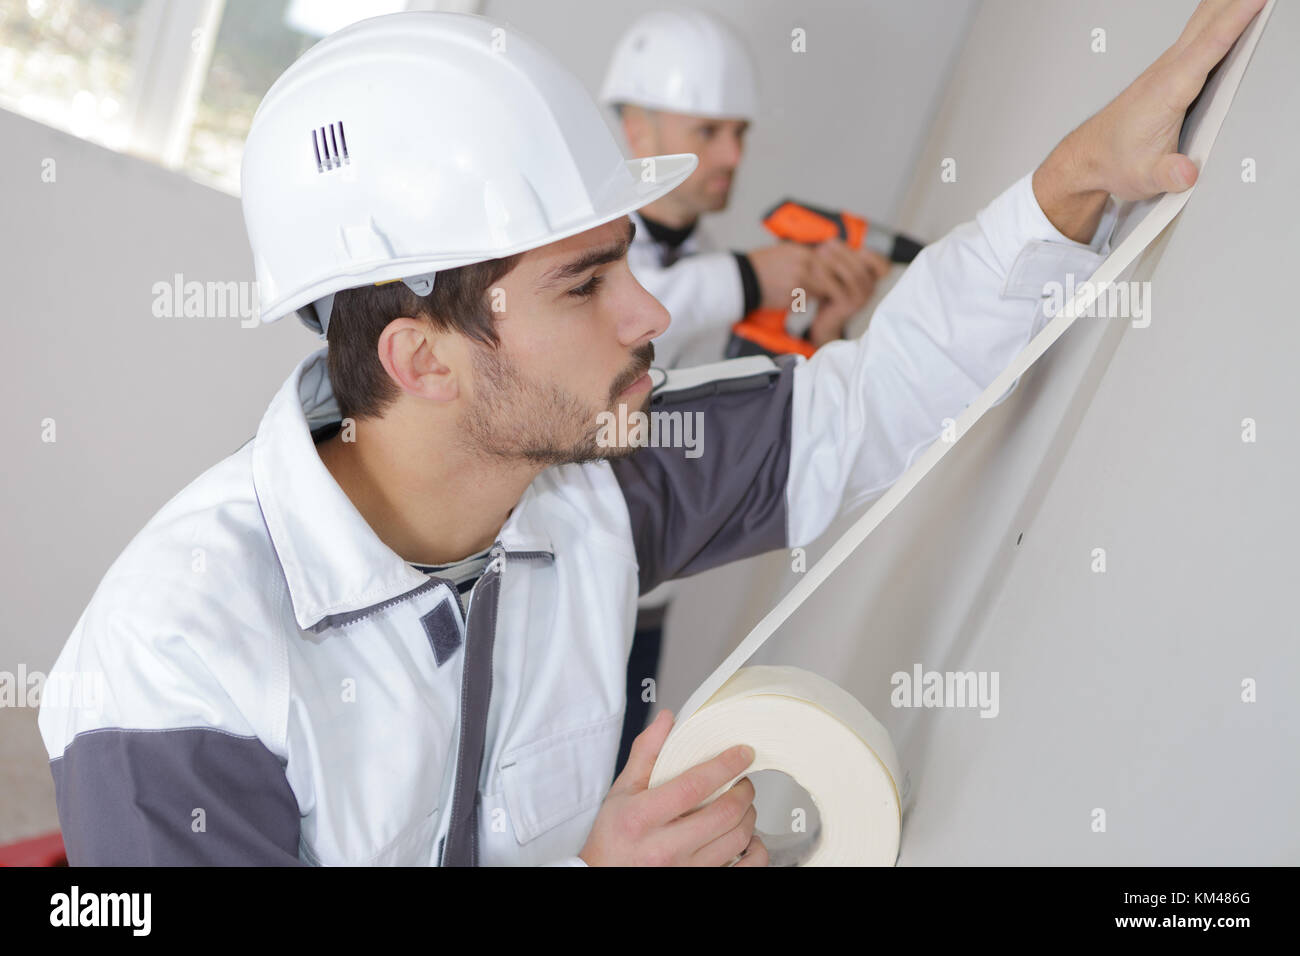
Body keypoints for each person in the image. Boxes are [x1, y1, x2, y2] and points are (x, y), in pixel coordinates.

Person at [38, 0, 1261, 866]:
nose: (653, 311)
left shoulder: (590, 488)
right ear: (425, 358)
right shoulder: (172, 663)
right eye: (585, 284)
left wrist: (1075, 178)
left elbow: (875, 399)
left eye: (626, 260)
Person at [600, 8, 891, 774]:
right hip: (565, 599)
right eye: (709, 131)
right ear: (637, 129)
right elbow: (624, 322)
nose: (733, 154)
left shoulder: (707, 261)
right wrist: (754, 278)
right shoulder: (574, 247)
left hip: (641, 608)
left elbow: (736, 401)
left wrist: (816, 324)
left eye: (740, 132)